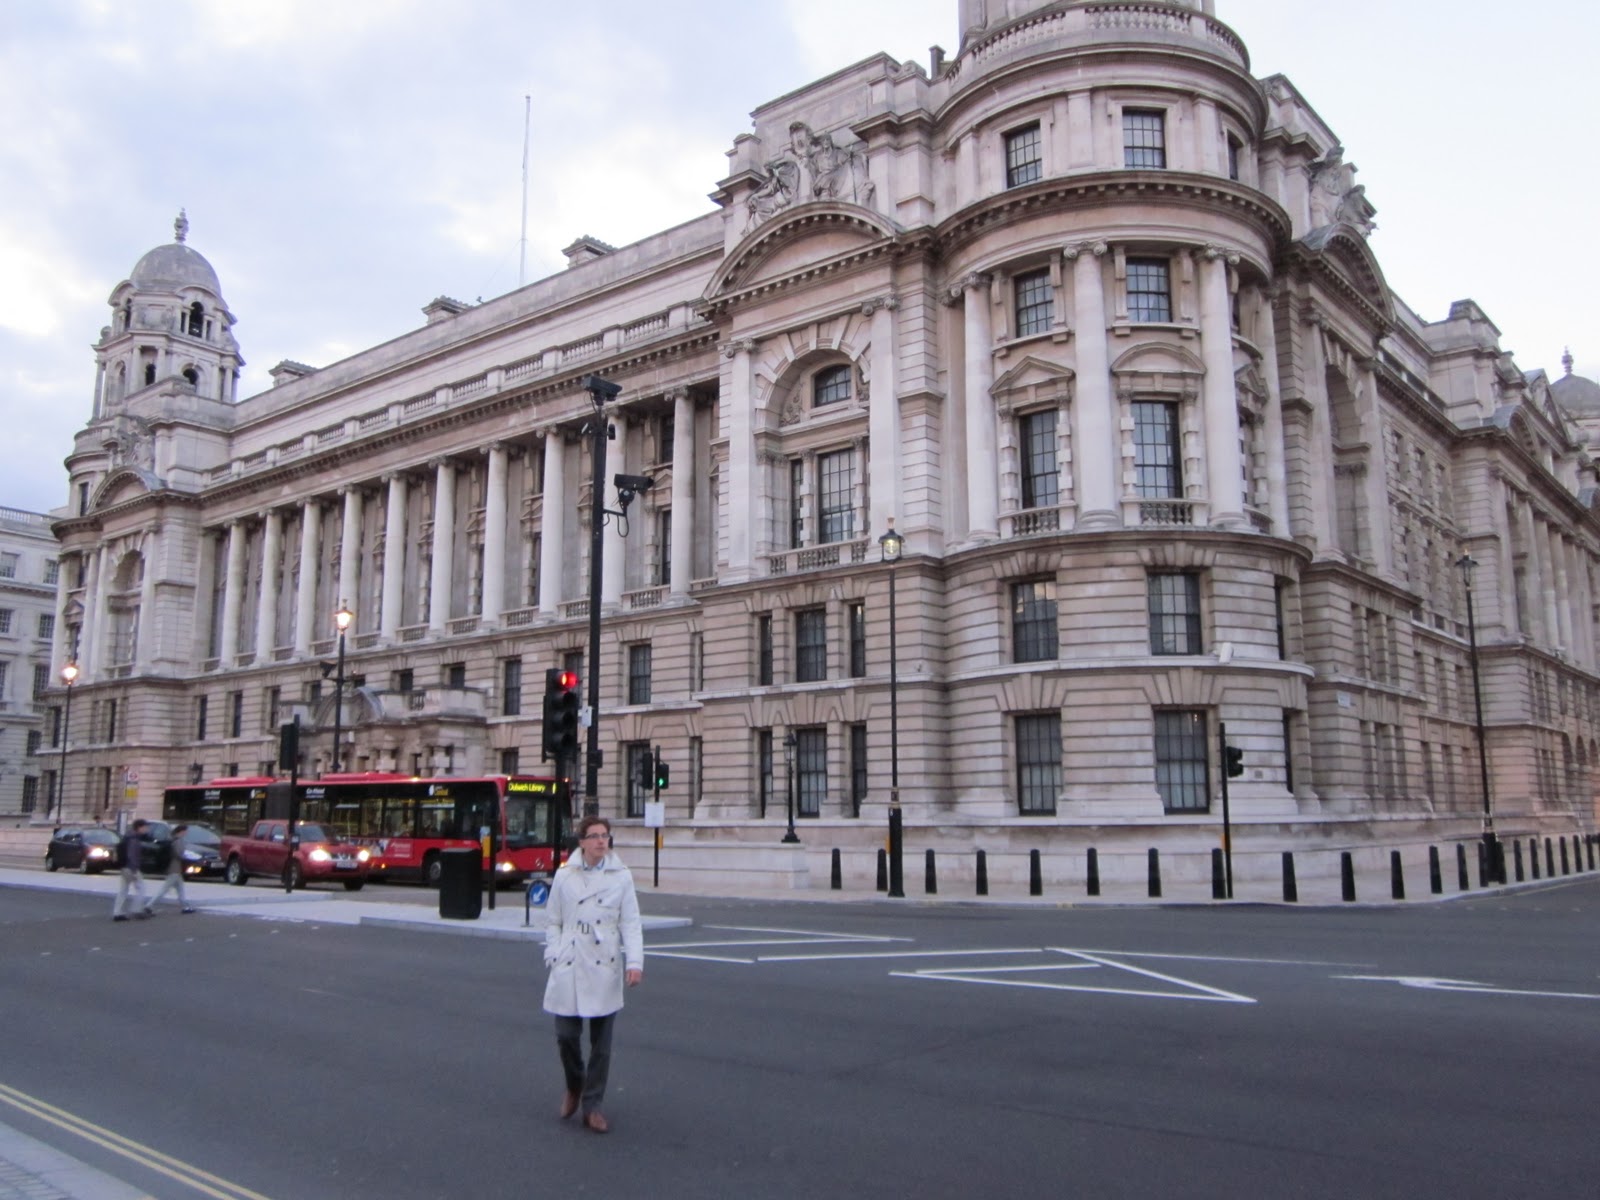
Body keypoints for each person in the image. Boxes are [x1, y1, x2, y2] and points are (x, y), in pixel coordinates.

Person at [542, 815, 643, 1134]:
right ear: (582, 841)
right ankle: (575, 1083)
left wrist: (634, 962)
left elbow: (631, 921)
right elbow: (553, 919)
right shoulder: (564, 875)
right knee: (566, 1035)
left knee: (602, 1043)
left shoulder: (621, 876)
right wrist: (554, 952)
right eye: (595, 836)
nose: (602, 841)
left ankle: (593, 1105)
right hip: (571, 958)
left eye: (605, 836)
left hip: (604, 958)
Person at [145, 823, 197, 915]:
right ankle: (149, 905)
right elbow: (179, 854)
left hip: (173, 868)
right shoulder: (179, 841)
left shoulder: (171, 839)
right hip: (174, 869)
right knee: (164, 890)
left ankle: (185, 906)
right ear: (182, 831)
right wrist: (188, 857)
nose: (186, 833)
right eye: (185, 831)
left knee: (180, 889)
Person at [111, 819, 151, 922]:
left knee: (123, 890)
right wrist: (134, 869)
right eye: (145, 827)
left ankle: (117, 912)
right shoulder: (134, 839)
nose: (147, 829)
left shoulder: (127, 836)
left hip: (123, 866)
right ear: (139, 827)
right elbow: (132, 855)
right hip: (131, 867)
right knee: (141, 888)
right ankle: (136, 910)